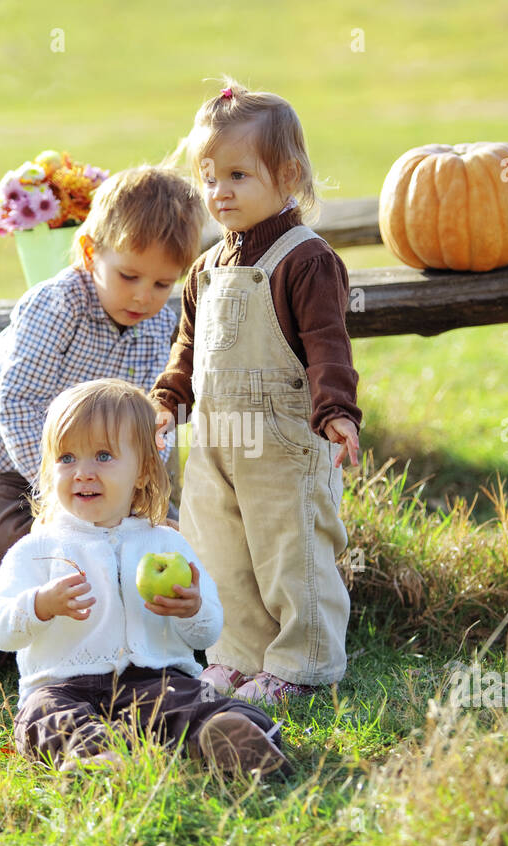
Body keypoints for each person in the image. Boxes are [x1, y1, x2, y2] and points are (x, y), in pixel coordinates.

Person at [151, 80, 362, 704]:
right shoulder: (207, 266)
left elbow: (328, 344)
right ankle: (236, 658)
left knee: (290, 551)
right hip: (216, 443)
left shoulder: (306, 259)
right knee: (223, 555)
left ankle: (304, 663)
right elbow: (188, 348)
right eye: (209, 177)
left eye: (238, 176)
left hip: (284, 443)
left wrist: (337, 412)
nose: (219, 192)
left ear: (288, 174)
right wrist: (168, 400)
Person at [0, 378, 288, 777]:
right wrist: (39, 605)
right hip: (64, 685)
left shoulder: (166, 544)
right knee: (45, 717)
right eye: (67, 458)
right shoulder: (38, 548)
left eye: (104, 456)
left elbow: (207, 634)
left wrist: (191, 608)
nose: (83, 473)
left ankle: (226, 739)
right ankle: (96, 760)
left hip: (154, 680)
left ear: (144, 471)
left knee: (200, 703)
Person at [0, 165, 205, 588]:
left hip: (87, 469)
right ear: (88, 253)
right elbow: (18, 404)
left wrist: (141, 494)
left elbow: (148, 417)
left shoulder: (156, 326)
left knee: (152, 537)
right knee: (14, 543)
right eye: (129, 276)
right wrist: (55, 500)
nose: (143, 296)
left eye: (162, 284)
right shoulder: (59, 306)